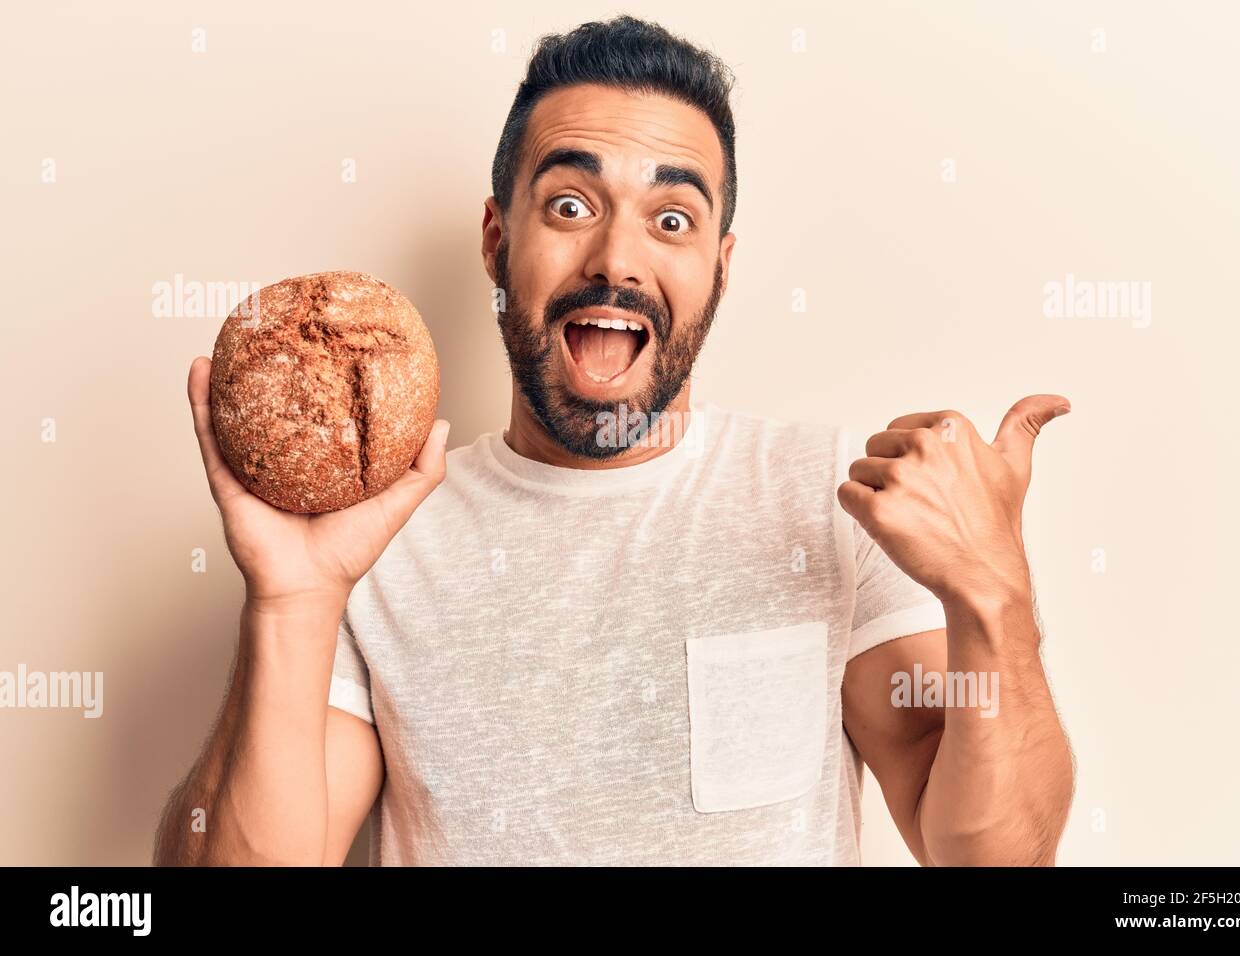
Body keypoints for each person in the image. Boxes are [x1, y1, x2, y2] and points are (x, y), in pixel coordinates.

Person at [156, 14, 1074, 866]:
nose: (616, 260)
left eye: (671, 220)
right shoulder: (375, 538)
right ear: (494, 237)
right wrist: (291, 601)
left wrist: (994, 594)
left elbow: (992, 856)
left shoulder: (832, 498)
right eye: (568, 206)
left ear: (720, 266)